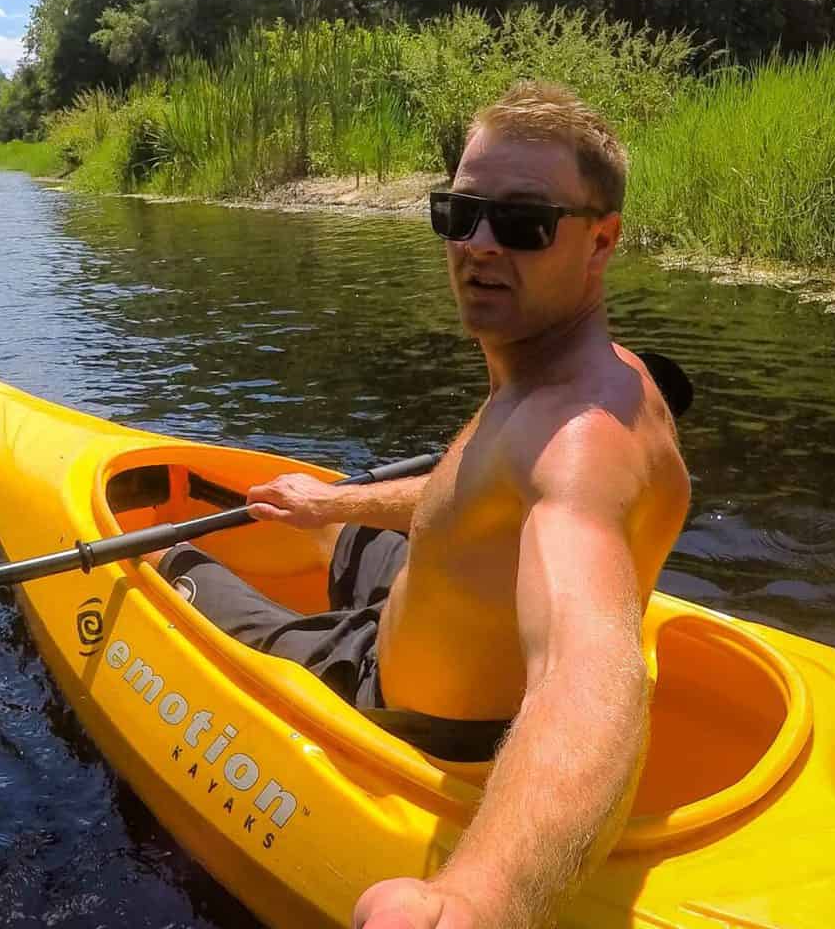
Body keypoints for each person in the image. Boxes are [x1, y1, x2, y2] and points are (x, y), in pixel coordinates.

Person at [155, 81, 690, 929]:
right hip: (436, 617)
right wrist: (336, 505)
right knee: (353, 537)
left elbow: (588, 671)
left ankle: (193, 580)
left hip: (419, 717)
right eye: (459, 211)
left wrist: (478, 902)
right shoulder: (578, 369)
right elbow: (470, 497)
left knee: (166, 562)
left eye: (522, 223)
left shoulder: (582, 441)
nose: (478, 244)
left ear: (602, 240)